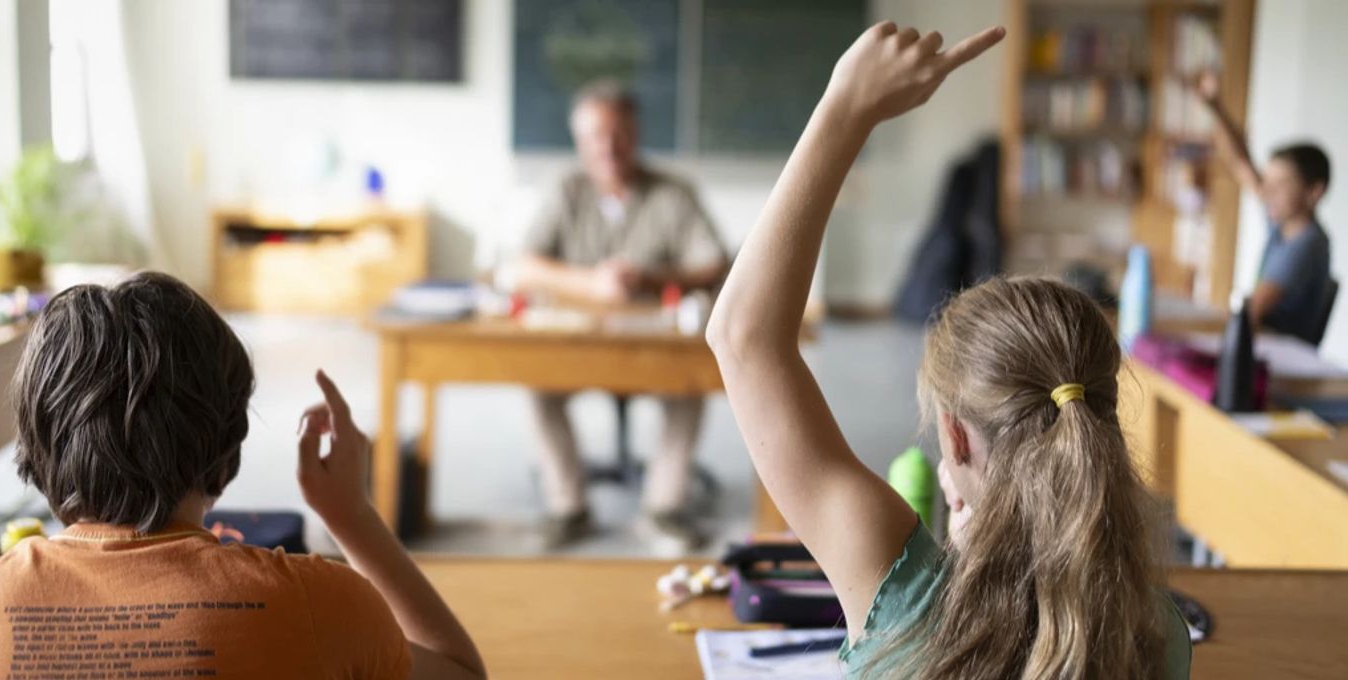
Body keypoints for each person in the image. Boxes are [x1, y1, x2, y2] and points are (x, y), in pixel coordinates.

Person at [706, 22, 1192, 679]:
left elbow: (743, 337)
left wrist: (847, 104)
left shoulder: (902, 597)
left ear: (953, 439)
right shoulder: (1158, 632)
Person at [0, 272, 485, 679]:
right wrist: (350, 514)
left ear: (36, 438)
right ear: (227, 446)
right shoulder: (319, 604)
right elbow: (462, 673)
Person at [512, 80, 730, 551]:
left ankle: (664, 508)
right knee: (538, 386)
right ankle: (568, 506)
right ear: (579, 141)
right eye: (596, 136)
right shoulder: (566, 191)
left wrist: (647, 280)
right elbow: (525, 266)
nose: (609, 147)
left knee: (691, 390)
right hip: (577, 348)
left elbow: (715, 264)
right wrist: (591, 283)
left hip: (656, 348)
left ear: (636, 133)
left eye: (619, 134)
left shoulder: (674, 193)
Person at [1197, 71, 1333, 343]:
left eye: (1280, 184)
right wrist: (1215, 106)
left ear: (1314, 192)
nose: (1267, 190)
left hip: (1281, 360)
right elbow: (1241, 162)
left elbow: (1252, 310)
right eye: (1267, 181)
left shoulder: (1307, 242)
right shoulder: (1281, 220)